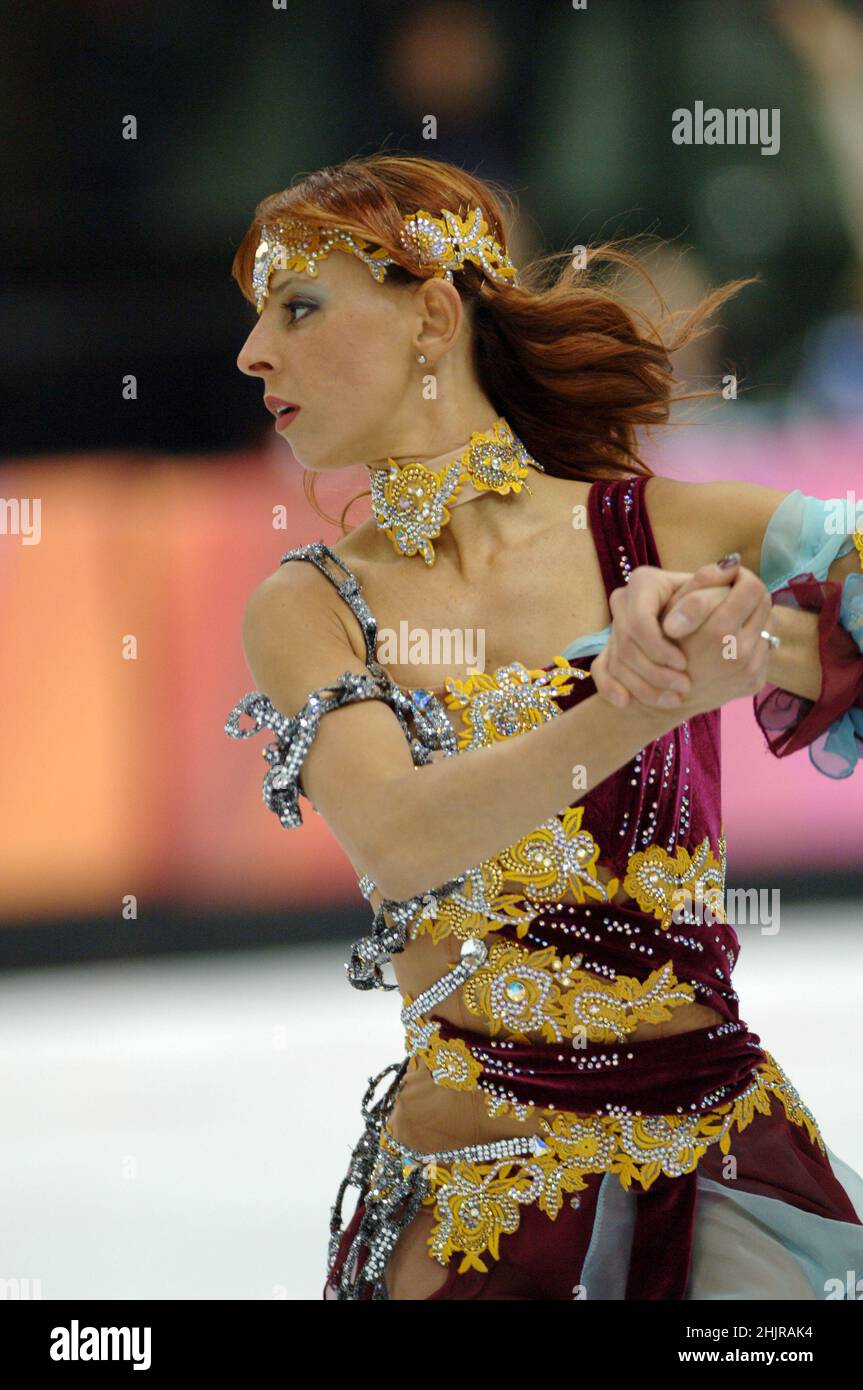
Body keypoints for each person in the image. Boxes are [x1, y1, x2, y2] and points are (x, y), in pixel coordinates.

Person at [224, 153, 863, 1300]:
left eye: (297, 306)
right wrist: (643, 698)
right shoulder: (309, 607)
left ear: (429, 313)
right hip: (478, 1194)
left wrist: (761, 646)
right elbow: (404, 839)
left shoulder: (661, 526)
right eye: (259, 318)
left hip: (715, 1160)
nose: (252, 352)